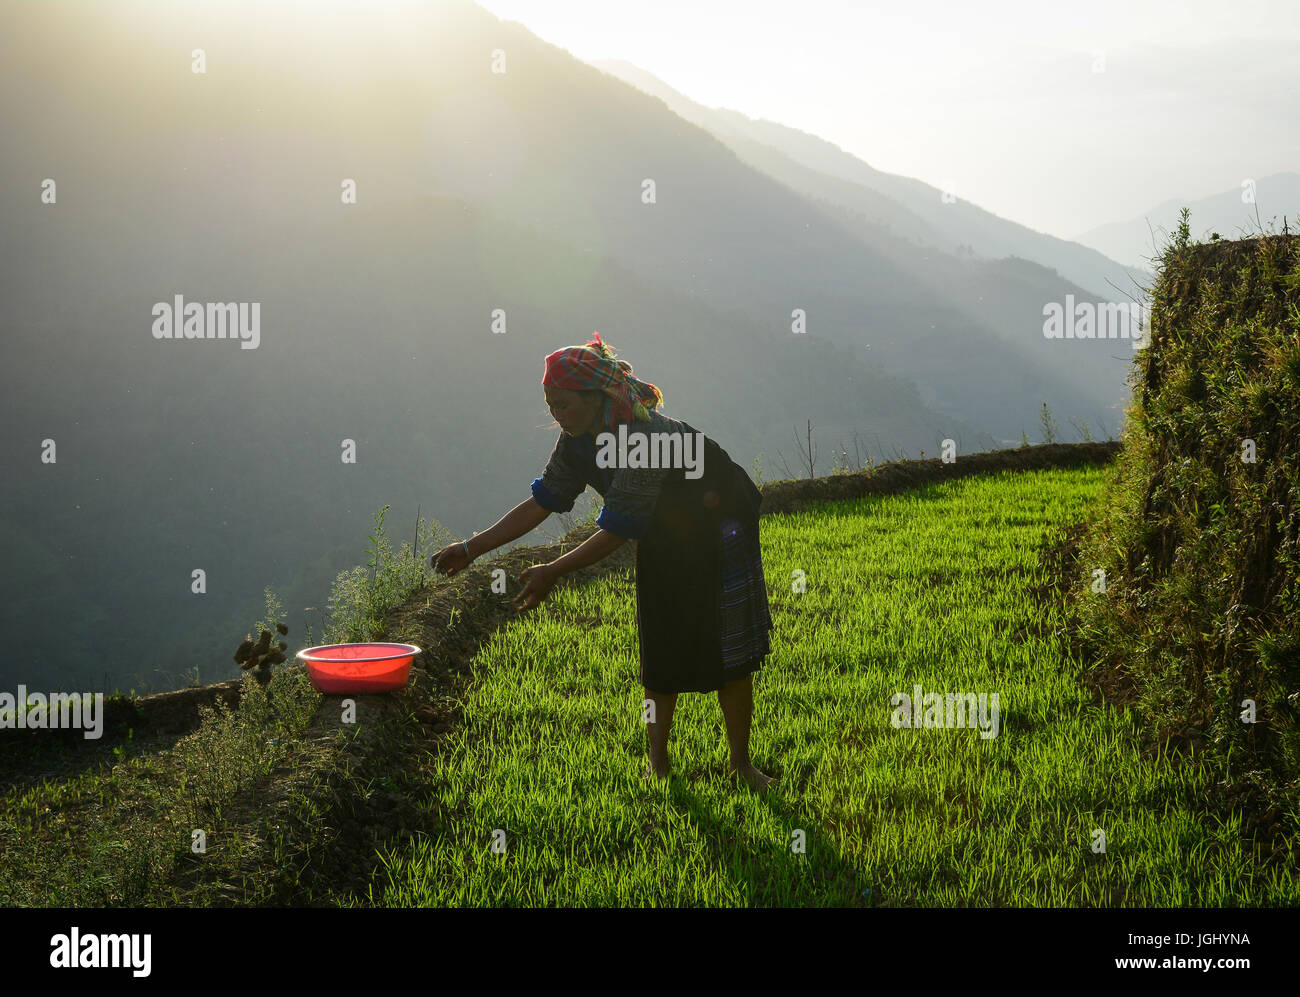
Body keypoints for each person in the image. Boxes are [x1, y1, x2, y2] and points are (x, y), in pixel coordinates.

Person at [431, 333, 777, 791]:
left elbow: (617, 529)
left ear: (599, 398)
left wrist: (553, 570)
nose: (557, 415)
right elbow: (543, 502)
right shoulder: (576, 439)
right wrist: (472, 548)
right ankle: (658, 766)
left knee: (728, 649)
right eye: (550, 405)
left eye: (565, 405)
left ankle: (741, 766)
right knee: (661, 646)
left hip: (720, 526)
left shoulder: (644, 438)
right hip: (665, 531)